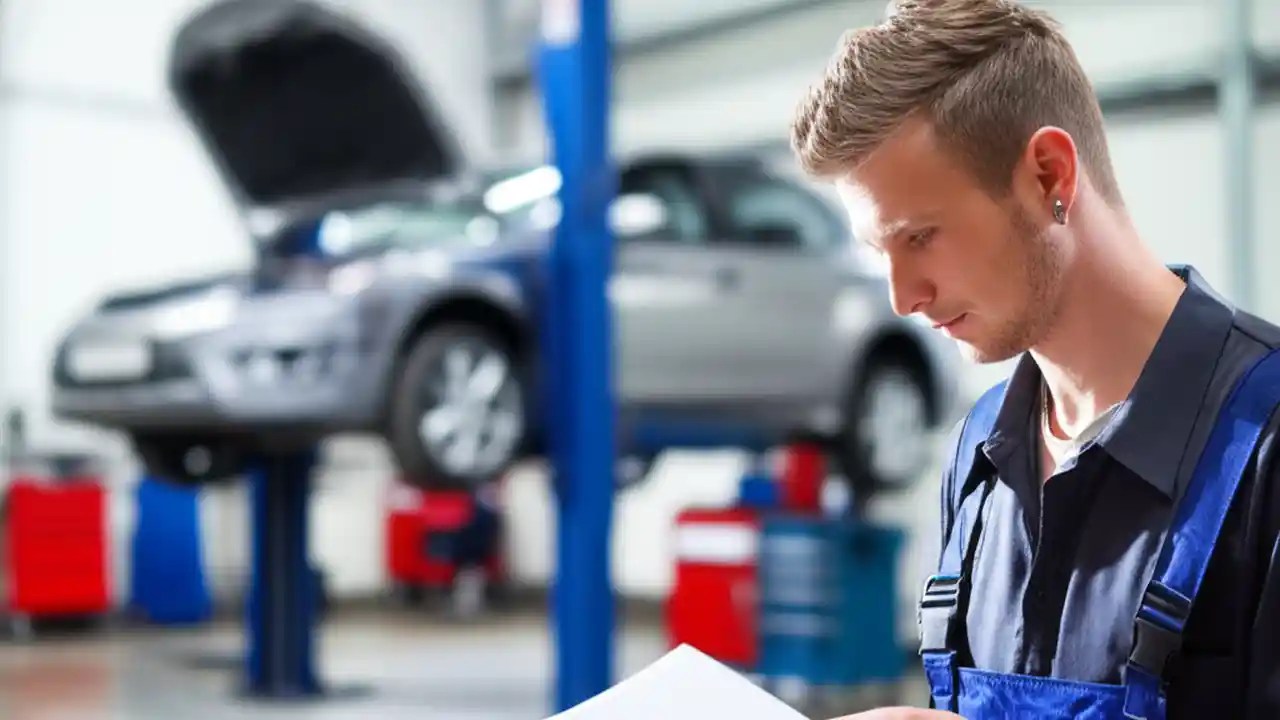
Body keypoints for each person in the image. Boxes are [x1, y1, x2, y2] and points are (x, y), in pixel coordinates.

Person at [789, 1, 1280, 718]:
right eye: (878, 252)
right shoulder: (982, 455)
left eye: (921, 237)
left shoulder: (1268, 447)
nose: (903, 298)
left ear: (1050, 176)